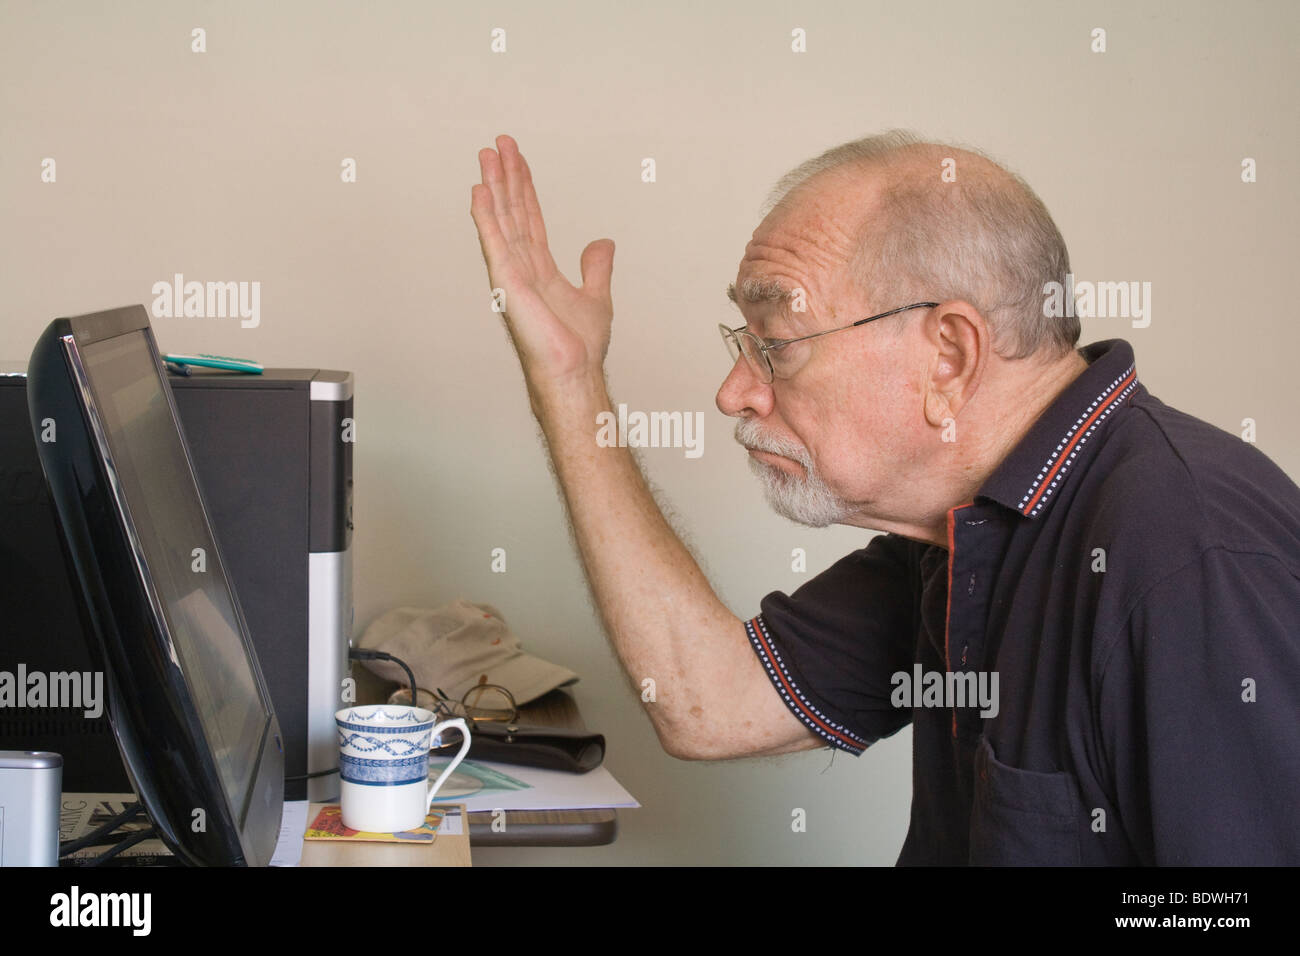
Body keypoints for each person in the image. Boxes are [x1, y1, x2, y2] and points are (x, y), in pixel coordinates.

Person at [468, 130, 1300, 865]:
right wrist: (570, 381)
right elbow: (708, 701)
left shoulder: (1187, 552)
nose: (734, 393)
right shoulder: (958, 529)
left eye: (775, 345)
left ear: (949, 357)